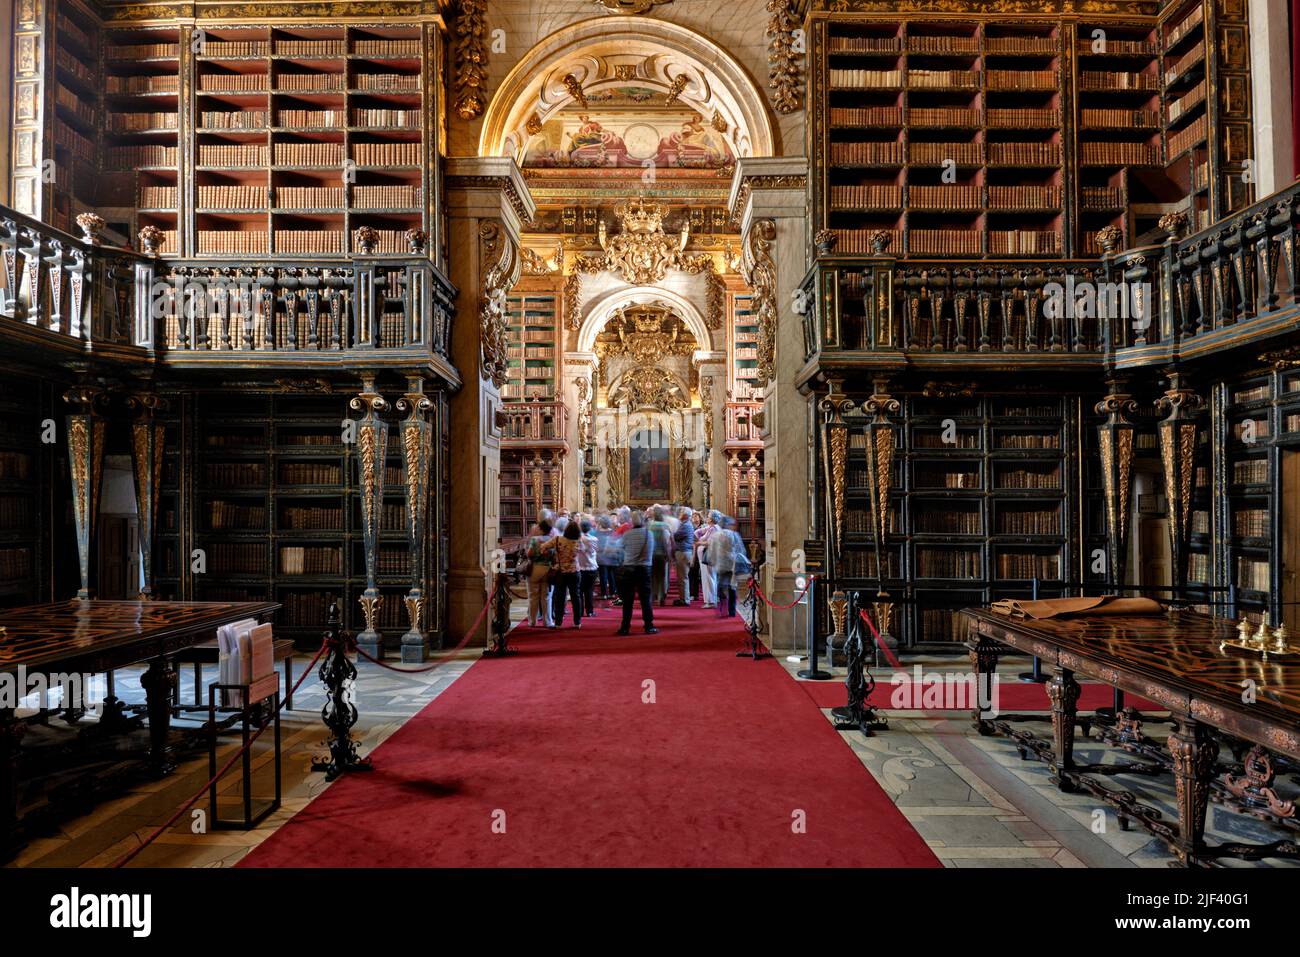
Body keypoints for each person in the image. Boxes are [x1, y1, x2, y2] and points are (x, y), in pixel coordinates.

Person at [616, 511, 657, 635]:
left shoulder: (627, 534)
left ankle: (625, 627)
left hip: (629, 568)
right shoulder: (649, 534)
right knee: (645, 599)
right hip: (644, 569)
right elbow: (652, 550)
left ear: (632, 522)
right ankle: (649, 626)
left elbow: (620, 548)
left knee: (628, 601)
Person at [540, 521, 584, 628]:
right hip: (574, 572)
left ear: (566, 530)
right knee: (576, 597)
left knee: (560, 597)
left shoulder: (558, 539)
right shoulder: (579, 542)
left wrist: (551, 555)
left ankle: (558, 622)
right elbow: (583, 552)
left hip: (561, 572)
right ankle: (577, 622)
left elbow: (543, 547)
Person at [706, 515, 746, 618]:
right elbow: (740, 550)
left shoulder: (715, 535)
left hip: (720, 564)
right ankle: (732, 611)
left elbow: (711, 550)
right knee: (732, 587)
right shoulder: (734, 535)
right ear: (728, 525)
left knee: (720, 585)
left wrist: (713, 562)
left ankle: (721, 608)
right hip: (732, 564)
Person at [524, 520, 554, 627]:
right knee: (546, 597)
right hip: (548, 569)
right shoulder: (553, 540)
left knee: (533, 596)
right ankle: (547, 621)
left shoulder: (534, 540)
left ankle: (532, 621)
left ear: (540, 528)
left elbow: (529, 554)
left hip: (534, 569)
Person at [647, 505, 673, 606]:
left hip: (651, 554)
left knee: (653, 576)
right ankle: (661, 597)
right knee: (662, 576)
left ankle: (653, 595)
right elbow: (666, 542)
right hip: (661, 553)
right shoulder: (665, 526)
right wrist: (668, 554)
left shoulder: (650, 525)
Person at [696, 510, 720, 608]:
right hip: (706, 555)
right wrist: (706, 529)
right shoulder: (711, 528)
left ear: (713, 519)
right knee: (707, 577)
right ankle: (710, 600)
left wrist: (699, 543)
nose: (707, 518)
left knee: (709, 577)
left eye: (709, 517)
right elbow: (696, 532)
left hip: (709, 555)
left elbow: (710, 542)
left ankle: (711, 601)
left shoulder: (714, 528)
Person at [672, 507, 695, 605]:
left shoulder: (686, 525)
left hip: (683, 553)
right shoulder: (684, 524)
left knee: (683, 577)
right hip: (683, 552)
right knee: (681, 577)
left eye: (681, 512)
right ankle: (683, 598)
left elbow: (675, 535)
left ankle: (685, 600)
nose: (679, 513)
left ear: (685, 515)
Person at [577, 519, 599, 618]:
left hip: (580, 567)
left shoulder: (577, 539)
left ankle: (580, 612)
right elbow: (596, 550)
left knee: (580, 591)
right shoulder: (594, 539)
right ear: (590, 528)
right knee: (589, 590)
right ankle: (589, 611)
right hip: (592, 567)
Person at [594, 515, 616, 600]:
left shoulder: (597, 533)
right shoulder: (613, 532)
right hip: (611, 555)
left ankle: (604, 594)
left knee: (603, 575)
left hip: (601, 556)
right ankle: (612, 593)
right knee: (611, 575)